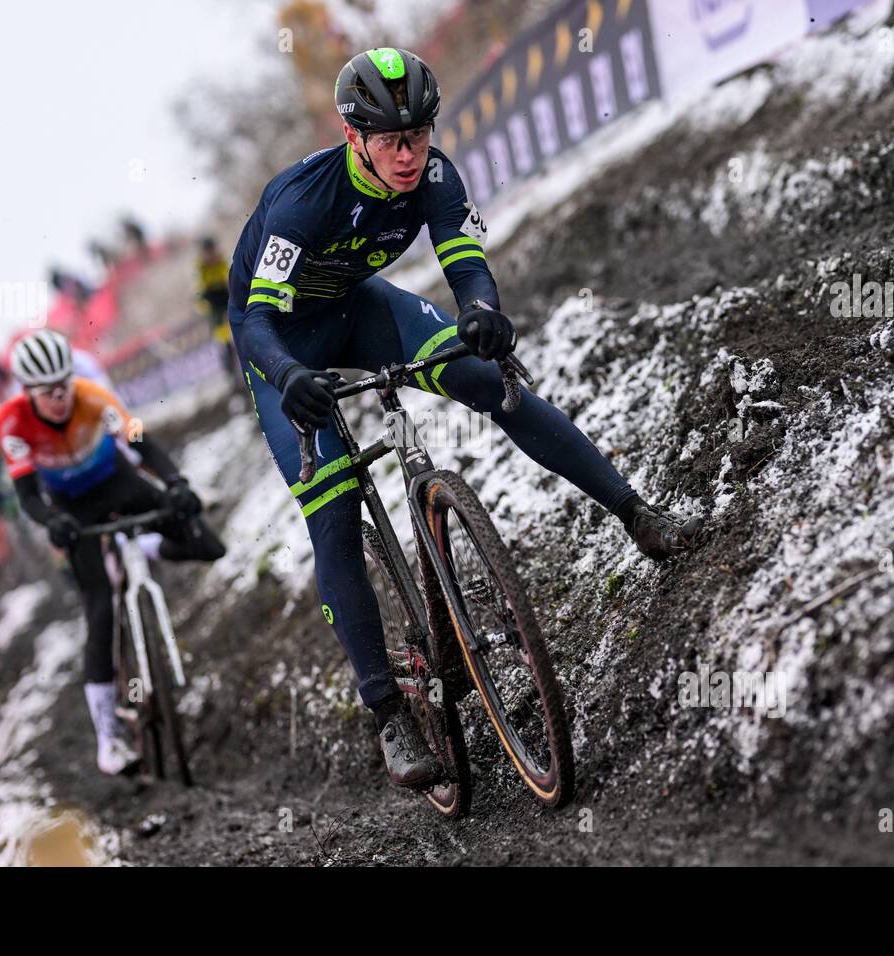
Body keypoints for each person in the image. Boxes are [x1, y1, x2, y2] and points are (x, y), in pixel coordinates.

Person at [227, 48, 705, 789]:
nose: (411, 153)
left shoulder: (436, 176)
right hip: (281, 346)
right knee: (333, 505)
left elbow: (465, 262)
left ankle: (636, 513)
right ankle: (388, 714)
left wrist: (481, 311)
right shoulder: (301, 202)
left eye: (421, 133)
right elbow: (258, 321)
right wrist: (289, 376)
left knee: (491, 382)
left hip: (360, 310)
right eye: (393, 141)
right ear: (354, 139)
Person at [0, 328, 227, 775]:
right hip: (71, 508)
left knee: (207, 543)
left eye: (64, 384)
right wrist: (53, 524)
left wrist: (176, 483)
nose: (60, 397)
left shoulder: (92, 396)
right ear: (27, 393)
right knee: (99, 610)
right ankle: (109, 738)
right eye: (48, 392)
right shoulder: (11, 422)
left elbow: (141, 440)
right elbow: (26, 496)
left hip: (117, 479)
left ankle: (148, 544)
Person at [195, 236, 238, 381]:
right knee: (224, 342)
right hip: (214, 308)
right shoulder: (200, 268)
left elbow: (231, 280)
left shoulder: (223, 261)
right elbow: (198, 294)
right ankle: (230, 372)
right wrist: (207, 307)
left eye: (212, 251)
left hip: (228, 300)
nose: (211, 255)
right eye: (208, 252)